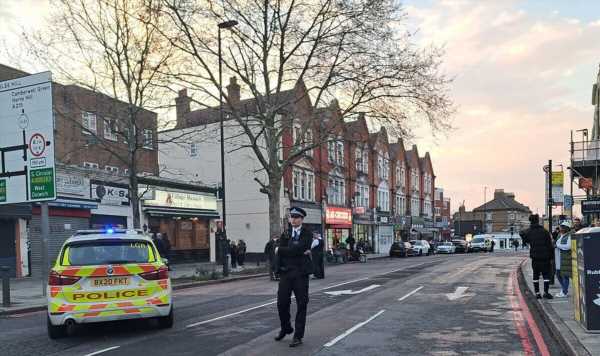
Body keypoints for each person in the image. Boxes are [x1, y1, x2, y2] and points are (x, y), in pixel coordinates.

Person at [274, 207, 313, 348]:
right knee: (281, 303)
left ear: (302, 219)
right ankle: (286, 327)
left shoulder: (307, 233)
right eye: (292, 217)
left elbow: (298, 248)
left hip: (301, 274)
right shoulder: (286, 233)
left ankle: (298, 336)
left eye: (297, 217)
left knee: (302, 304)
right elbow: (286, 251)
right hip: (286, 273)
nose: (293, 220)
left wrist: (281, 250)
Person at [521, 214, 554, 299]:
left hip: (535, 258)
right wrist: (551, 257)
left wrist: (524, 240)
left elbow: (522, 234)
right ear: (538, 221)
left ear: (530, 221)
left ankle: (537, 293)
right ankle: (546, 292)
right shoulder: (545, 231)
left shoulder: (529, 231)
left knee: (535, 275)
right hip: (545, 257)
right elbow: (550, 245)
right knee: (546, 275)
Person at [555, 222, 572, 298]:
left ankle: (564, 292)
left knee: (565, 276)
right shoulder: (560, 235)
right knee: (558, 274)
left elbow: (568, 246)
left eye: (562, 227)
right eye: (561, 227)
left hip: (565, 259)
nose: (561, 229)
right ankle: (564, 289)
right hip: (559, 258)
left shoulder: (569, 236)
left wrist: (557, 245)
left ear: (566, 228)